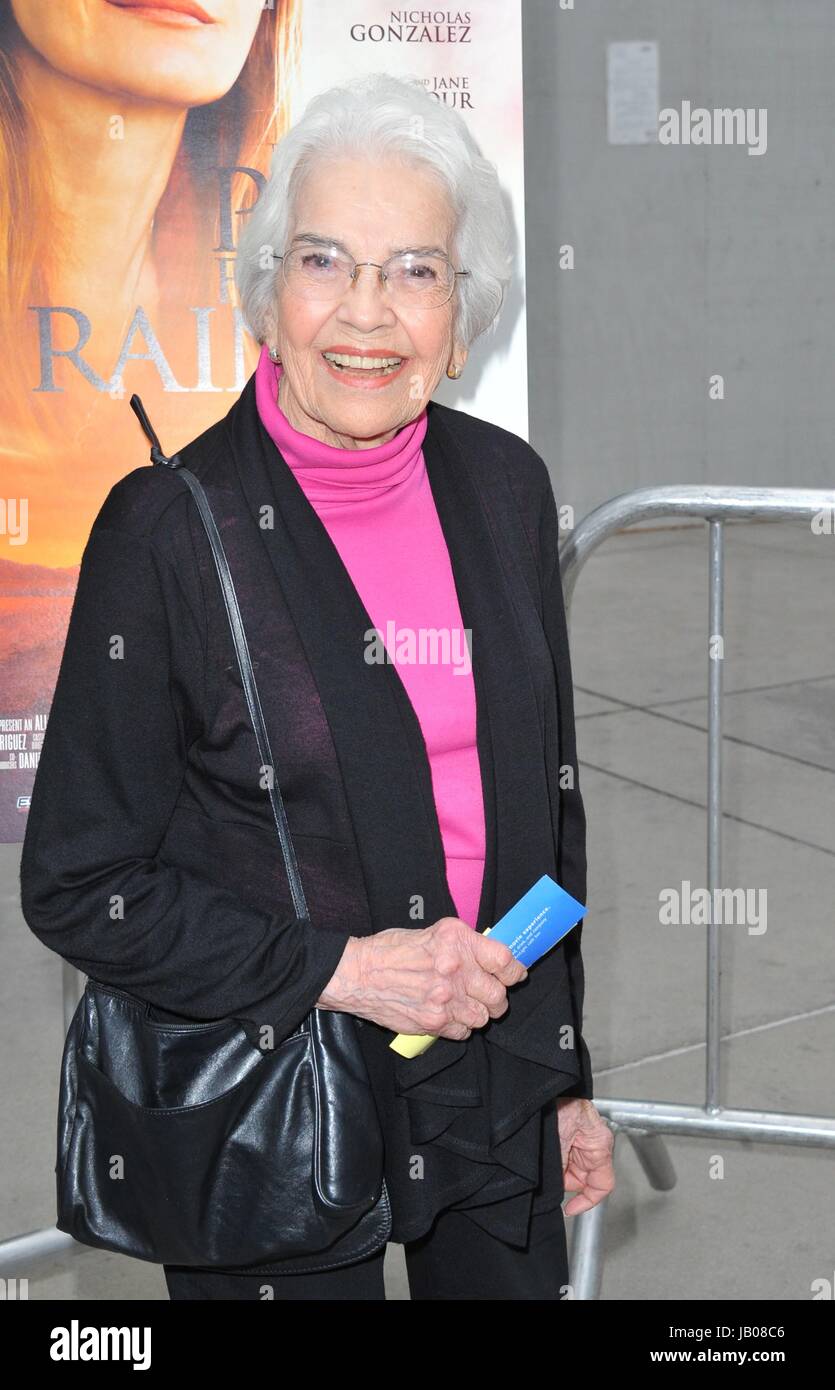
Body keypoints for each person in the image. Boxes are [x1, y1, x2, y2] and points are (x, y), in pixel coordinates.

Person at [20, 71, 615, 1301]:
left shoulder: (505, 489)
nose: (366, 312)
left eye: (415, 270)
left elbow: (543, 824)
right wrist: (345, 967)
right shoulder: (166, 532)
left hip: (489, 1078)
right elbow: (81, 884)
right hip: (270, 1090)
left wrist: (560, 1077)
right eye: (325, 261)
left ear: (462, 317)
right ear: (267, 293)